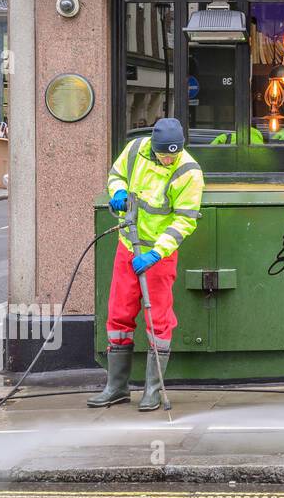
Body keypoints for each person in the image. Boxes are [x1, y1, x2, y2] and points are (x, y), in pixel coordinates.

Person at [87, 118, 204, 410]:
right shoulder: (134, 149)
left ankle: (152, 390)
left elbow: (185, 219)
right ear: (153, 145)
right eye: (164, 153)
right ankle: (117, 387)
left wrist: (156, 253)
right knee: (118, 314)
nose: (168, 159)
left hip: (158, 255)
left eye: (173, 154)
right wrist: (117, 192)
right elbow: (116, 175)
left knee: (158, 320)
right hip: (128, 245)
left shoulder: (189, 172)